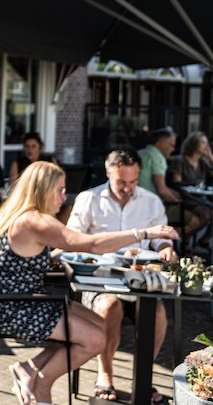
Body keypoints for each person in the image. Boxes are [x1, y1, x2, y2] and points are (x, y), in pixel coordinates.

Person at [0, 160, 178, 404]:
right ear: (43, 189)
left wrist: (51, 256)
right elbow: (91, 244)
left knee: (100, 326)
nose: (63, 197)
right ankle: (41, 385)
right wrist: (144, 233)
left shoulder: (23, 216)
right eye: (60, 190)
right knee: (95, 339)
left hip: (20, 299)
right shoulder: (34, 220)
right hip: (15, 308)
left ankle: (28, 369)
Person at [66, 148, 177, 402]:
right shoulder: (89, 199)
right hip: (99, 279)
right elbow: (72, 241)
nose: (127, 188)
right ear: (107, 173)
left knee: (157, 313)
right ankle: (105, 374)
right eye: (121, 182)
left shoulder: (151, 201)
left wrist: (167, 248)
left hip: (138, 280)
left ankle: (143, 377)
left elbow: (161, 242)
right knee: (110, 306)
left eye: (133, 182)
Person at [166, 131, 213, 242]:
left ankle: (204, 240)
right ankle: (183, 240)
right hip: (185, 198)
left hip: (200, 198)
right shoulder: (180, 160)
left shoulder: (203, 163)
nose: (206, 146)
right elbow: (177, 183)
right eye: (202, 143)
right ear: (193, 144)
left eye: (207, 143)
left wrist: (211, 158)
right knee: (206, 214)